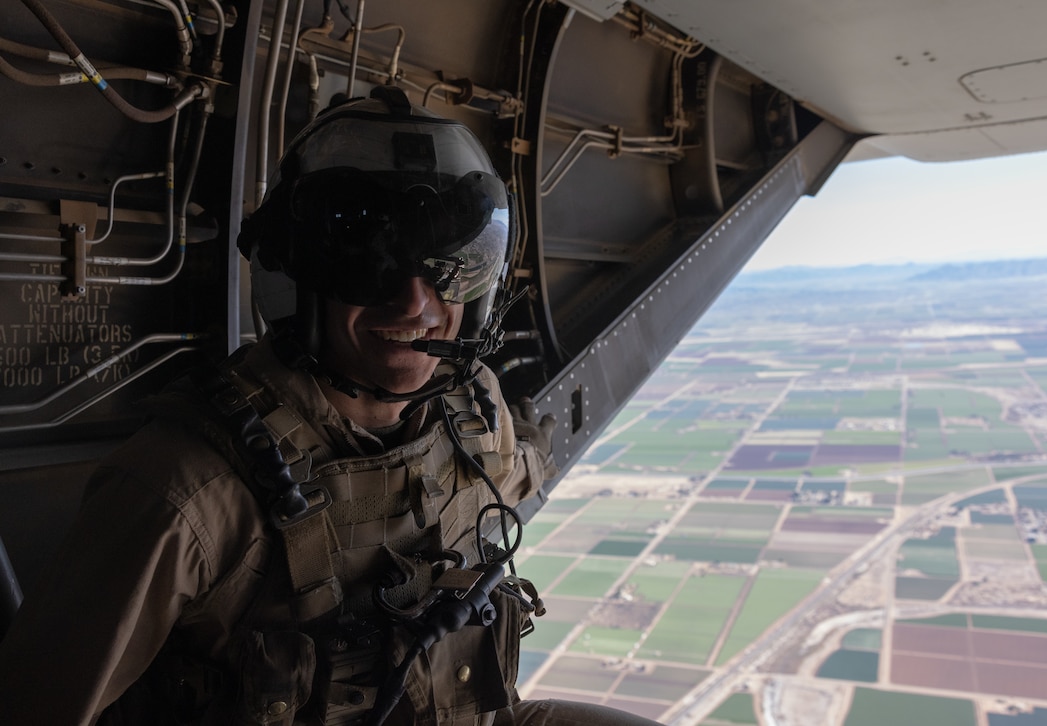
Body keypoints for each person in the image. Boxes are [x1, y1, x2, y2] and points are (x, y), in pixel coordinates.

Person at [0, 87, 662, 726]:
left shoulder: (473, 407)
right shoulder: (188, 494)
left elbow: (512, 467)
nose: (416, 304)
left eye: (449, 263)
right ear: (294, 272)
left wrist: (536, 453)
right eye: (367, 262)